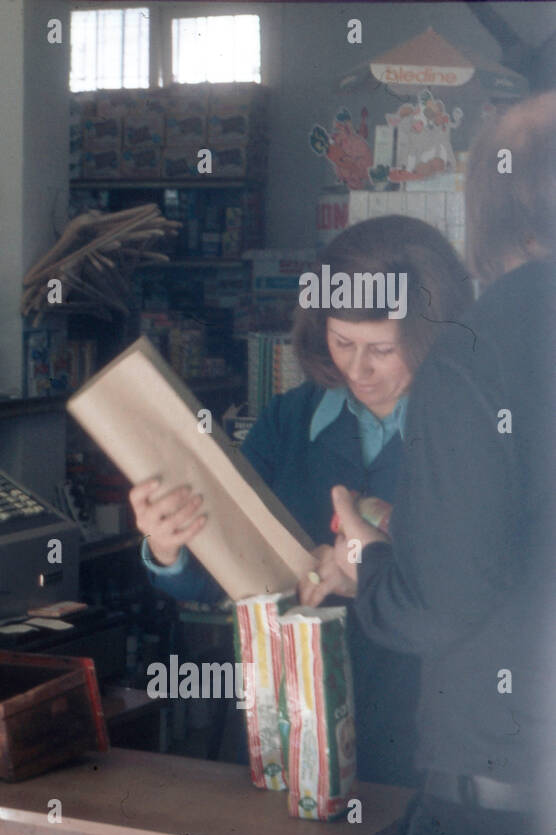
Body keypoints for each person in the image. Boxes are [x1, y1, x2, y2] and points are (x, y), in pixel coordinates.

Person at [130, 215, 474, 790]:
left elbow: (490, 590)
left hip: (425, 729)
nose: (357, 371)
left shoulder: (472, 431)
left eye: (382, 350)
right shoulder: (288, 421)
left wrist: (377, 565)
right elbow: (216, 577)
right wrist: (168, 546)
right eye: (342, 344)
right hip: (293, 728)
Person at [304, 91, 556, 835]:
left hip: (500, 801)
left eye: (380, 349)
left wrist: (371, 552)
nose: (362, 369)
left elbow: (441, 603)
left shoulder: (480, 348)